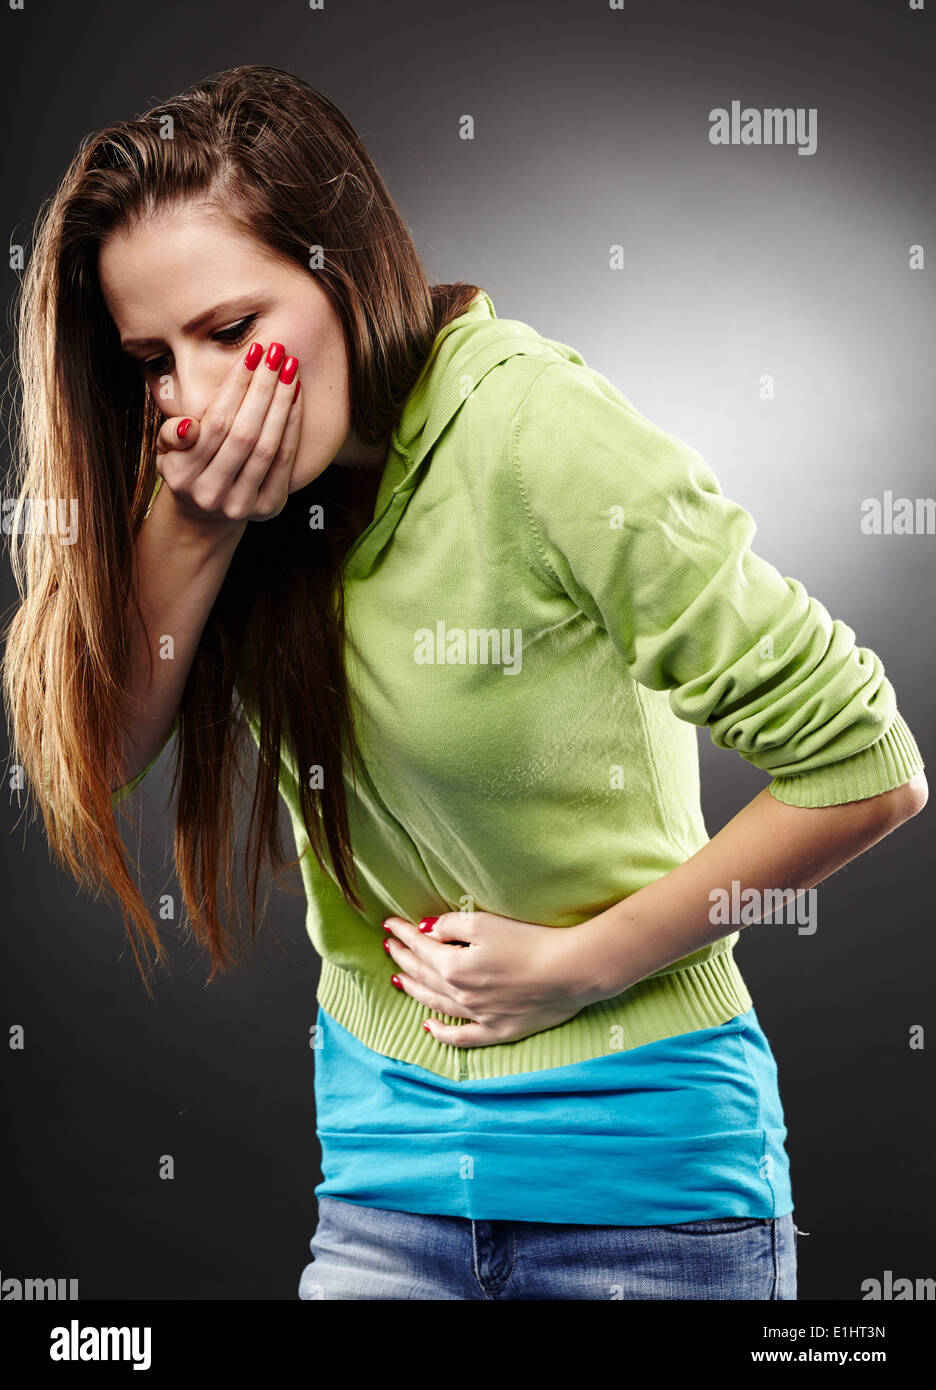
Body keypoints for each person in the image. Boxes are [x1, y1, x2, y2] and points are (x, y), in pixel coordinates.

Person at [3, 64, 927, 1302]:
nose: (198, 401)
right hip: (386, 1189)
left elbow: (868, 768)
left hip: (647, 1197)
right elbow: (105, 753)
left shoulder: (535, 431)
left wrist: (579, 963)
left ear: (346, 271)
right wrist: (202, 529)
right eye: (152, 360)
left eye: (231, 332)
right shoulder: (204, 488)